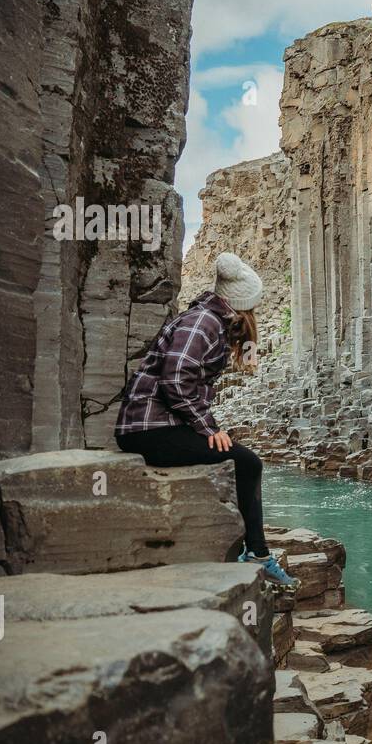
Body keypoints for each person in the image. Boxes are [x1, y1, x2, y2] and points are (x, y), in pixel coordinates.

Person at [114, 253, 298, 591]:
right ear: (243, 301)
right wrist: (208, 429)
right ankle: (257, 554)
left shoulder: (212, 319)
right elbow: (175, 378)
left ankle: (255, 550)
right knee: (247, 462)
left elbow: (187, 385)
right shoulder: (204, 322)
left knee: (242, 459)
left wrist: (208, 427)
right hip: (147, 429)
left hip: (156, 425)